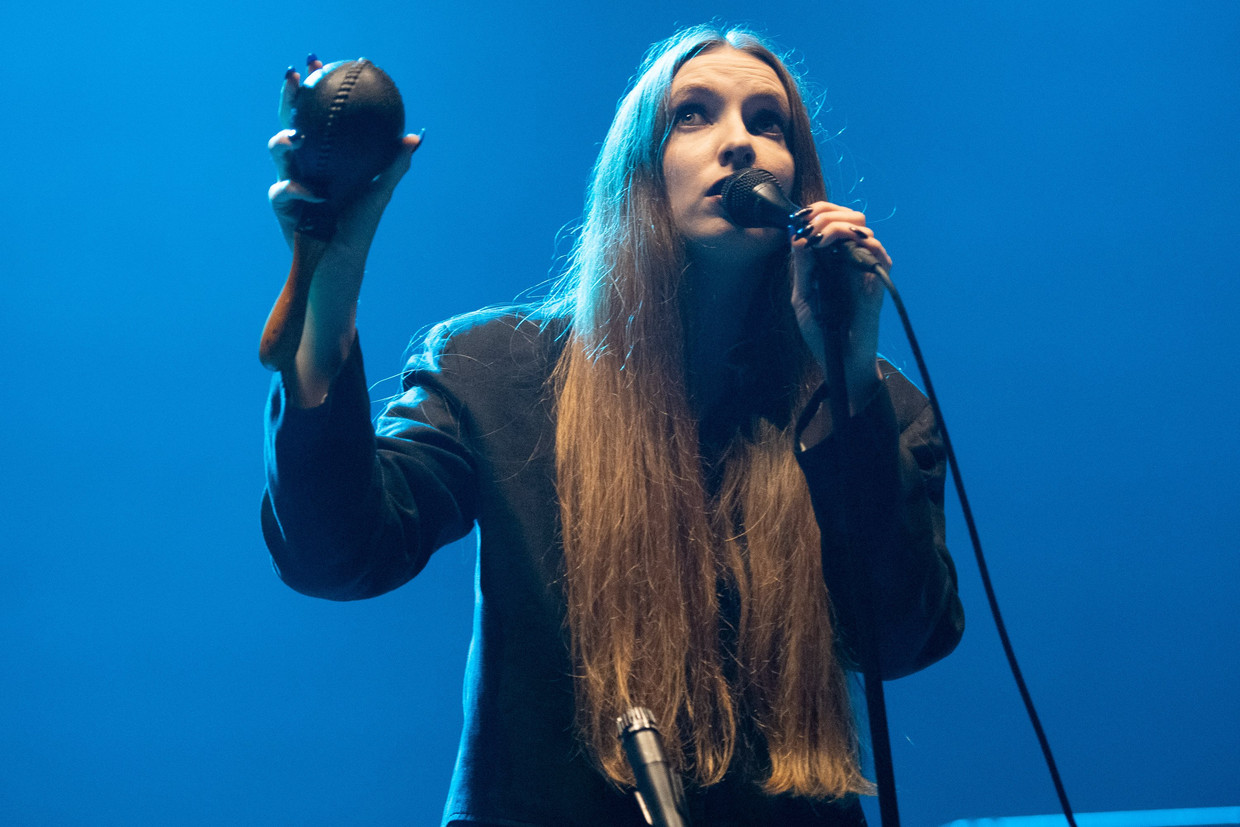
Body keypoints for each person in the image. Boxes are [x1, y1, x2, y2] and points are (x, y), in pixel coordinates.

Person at [262, 25, 964, 827]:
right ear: (636, 171)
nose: (741, 144)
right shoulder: (498, 371)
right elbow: (337, 553)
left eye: (770, 124)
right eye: (693, 116)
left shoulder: (871, 407)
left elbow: (905, 637)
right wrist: (331, 283)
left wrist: (848, 387)